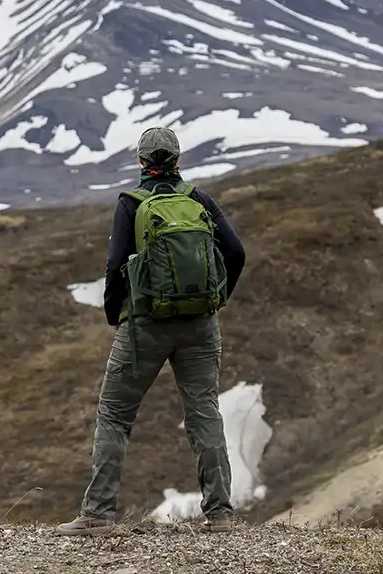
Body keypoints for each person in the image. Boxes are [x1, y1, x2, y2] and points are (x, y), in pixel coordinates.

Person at [56, 126, 247, 536]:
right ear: (178, 160)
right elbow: (236, 252)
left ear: (142, 163)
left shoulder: (131, 204)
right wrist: (216, 299)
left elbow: (114, 266)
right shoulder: (200, 200)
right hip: (200, 324)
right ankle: (220, 515)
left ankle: (97, 514)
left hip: (145, 326)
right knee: (204, 412)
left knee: (115, 414)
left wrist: (117, 315)